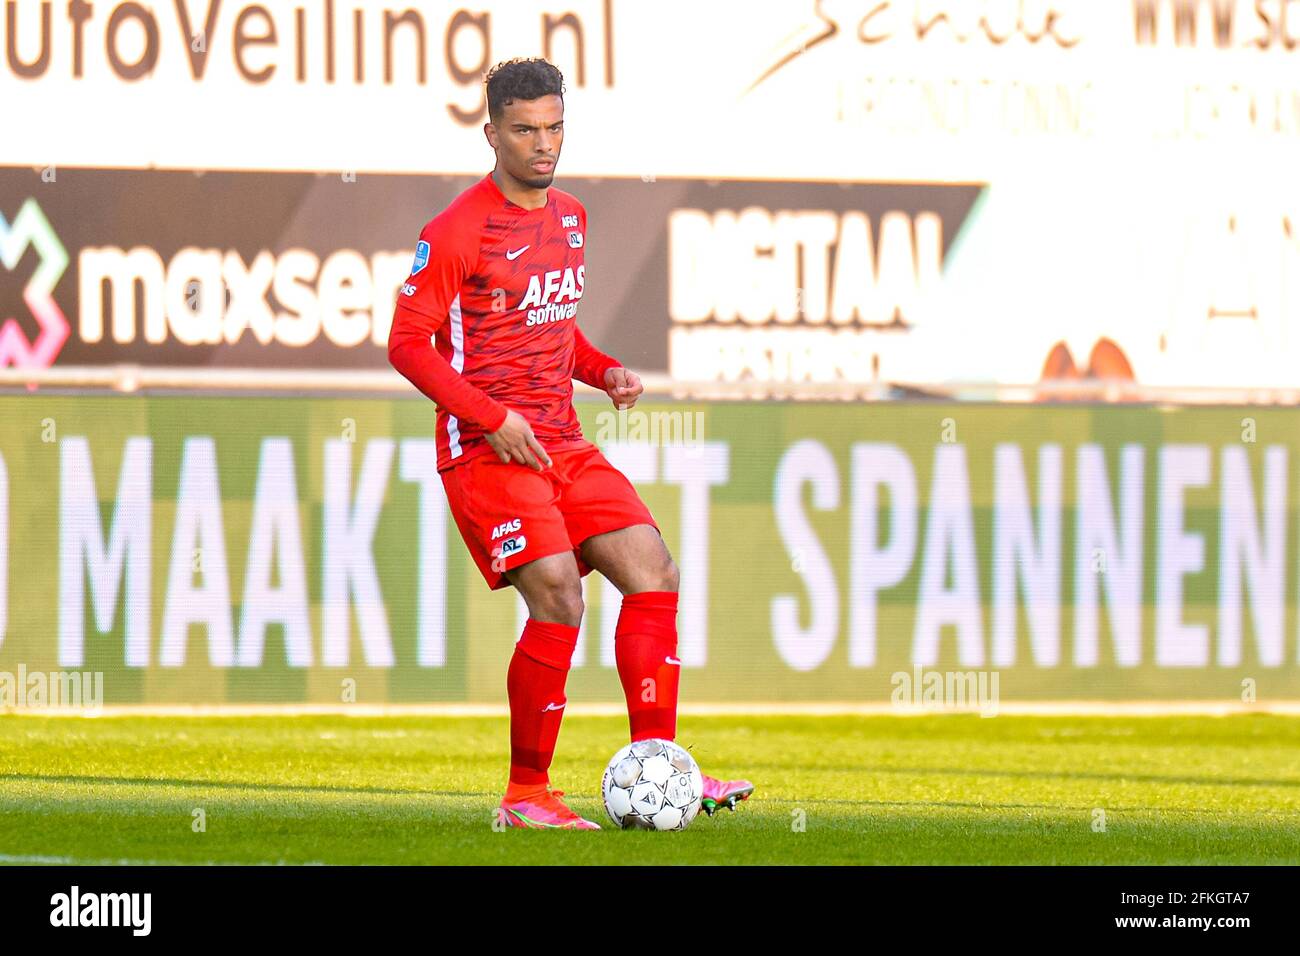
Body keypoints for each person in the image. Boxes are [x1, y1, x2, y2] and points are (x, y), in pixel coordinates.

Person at [387, 57, 753, 828]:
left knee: (653, 570)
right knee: (559, 592)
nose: (543, 143)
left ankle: (663, 766)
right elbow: (408, 345)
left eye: (554, 127)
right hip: (487, 449)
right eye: (524, 130)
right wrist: (492, 417)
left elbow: (551, 328)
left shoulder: (572, 218)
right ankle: (527, 795)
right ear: (491, 133)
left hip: (560, 440)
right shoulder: (454, 231)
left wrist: (604, 368)